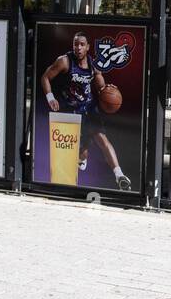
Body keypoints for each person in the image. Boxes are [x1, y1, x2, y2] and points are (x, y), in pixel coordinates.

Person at [41, 32, 131, 190]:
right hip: (70, 109)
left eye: (82, 44)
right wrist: (50, 98)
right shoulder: (64, 61)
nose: (78, 47)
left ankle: (119, 175)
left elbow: (101, 86)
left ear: (88, 47)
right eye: (76, 44)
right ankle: (81, 158)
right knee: (81, 152)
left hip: (89, 108)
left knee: (102, 139)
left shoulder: (93, 64)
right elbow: (45, 77)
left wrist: (108, 89)